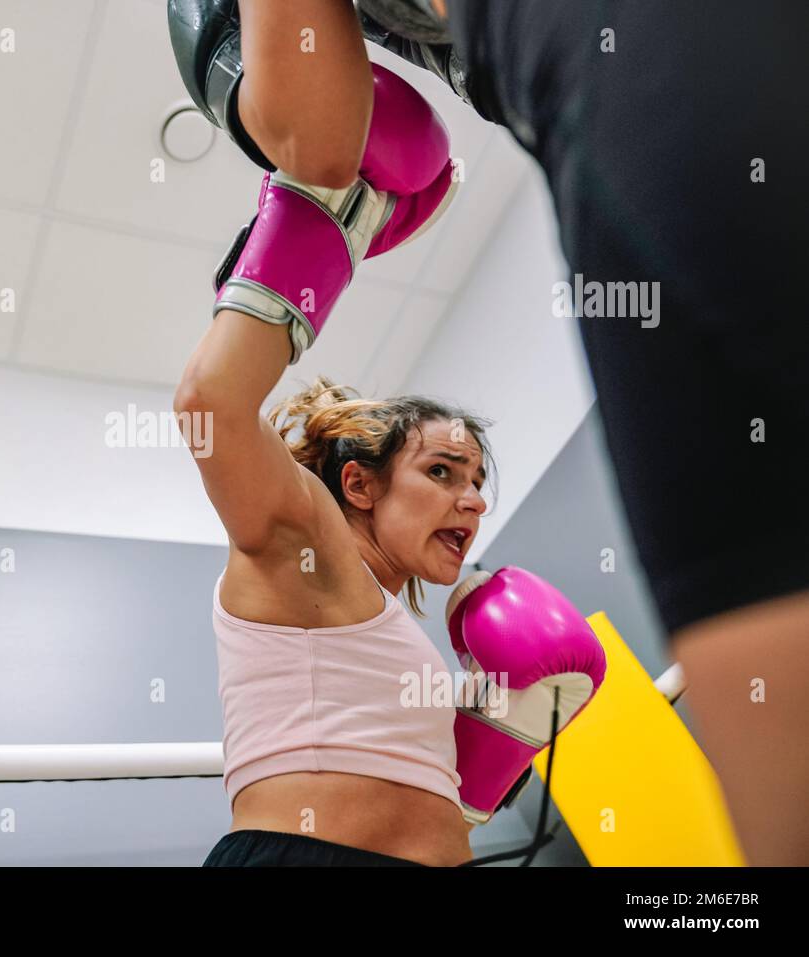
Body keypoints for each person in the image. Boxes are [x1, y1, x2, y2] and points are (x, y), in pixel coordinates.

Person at [170, 0, 809, 866]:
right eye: (442, 470)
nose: (473, 500)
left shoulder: (389, 635)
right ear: (358, 483)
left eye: (476, 481)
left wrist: (506, 724)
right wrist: (318, 221)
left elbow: (443, 808)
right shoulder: (302, 550)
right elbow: (210, 407)